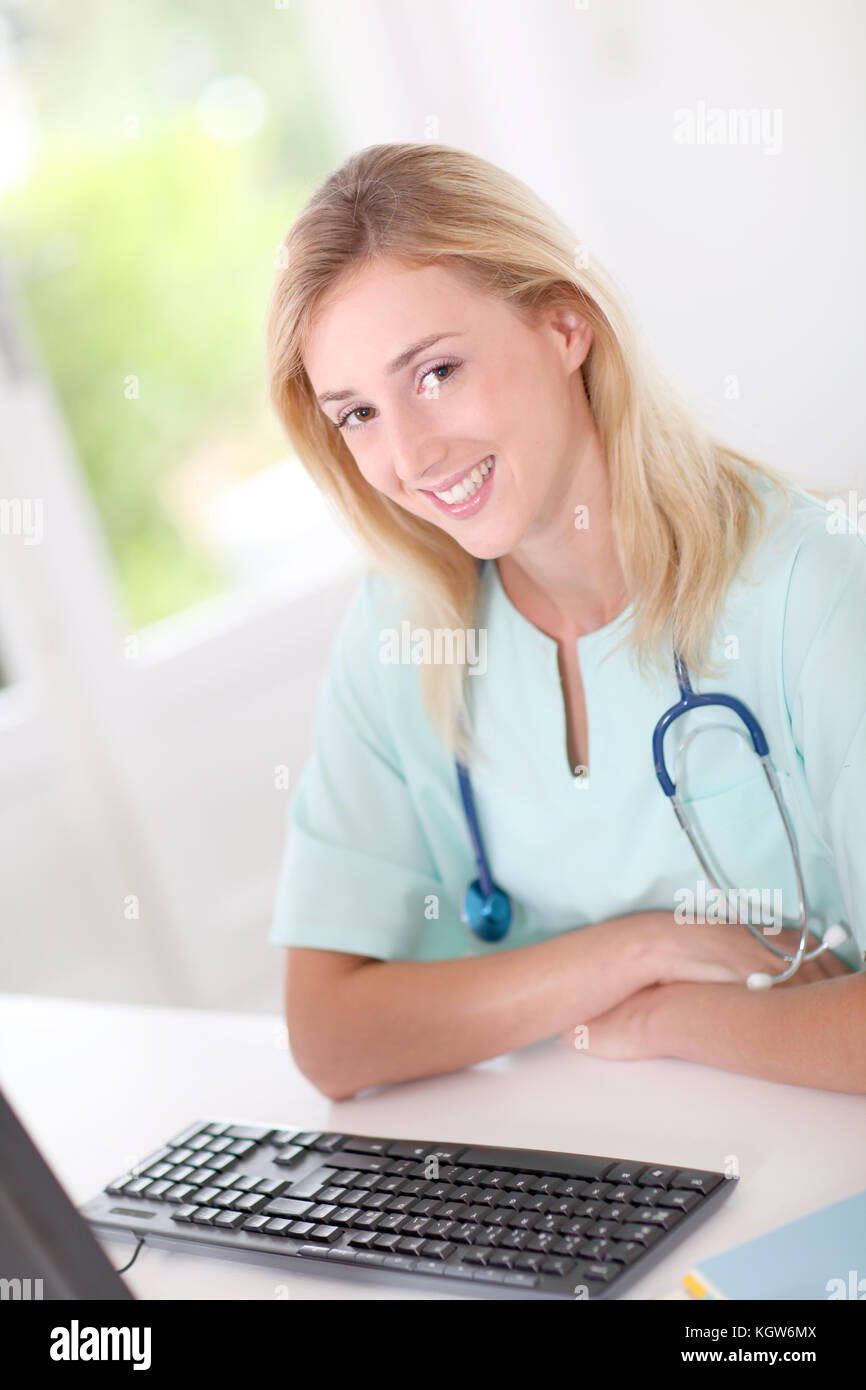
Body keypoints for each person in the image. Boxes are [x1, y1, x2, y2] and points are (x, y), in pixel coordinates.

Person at [264, 143, 866, 1099]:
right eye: (358, 414)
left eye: (436, 372)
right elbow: (331, 1037)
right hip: (577, 1192)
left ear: (564, 322)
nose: (412, 455)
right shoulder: (405, 627)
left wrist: (675, 1017)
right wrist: (640, 952)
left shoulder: (810, 587)